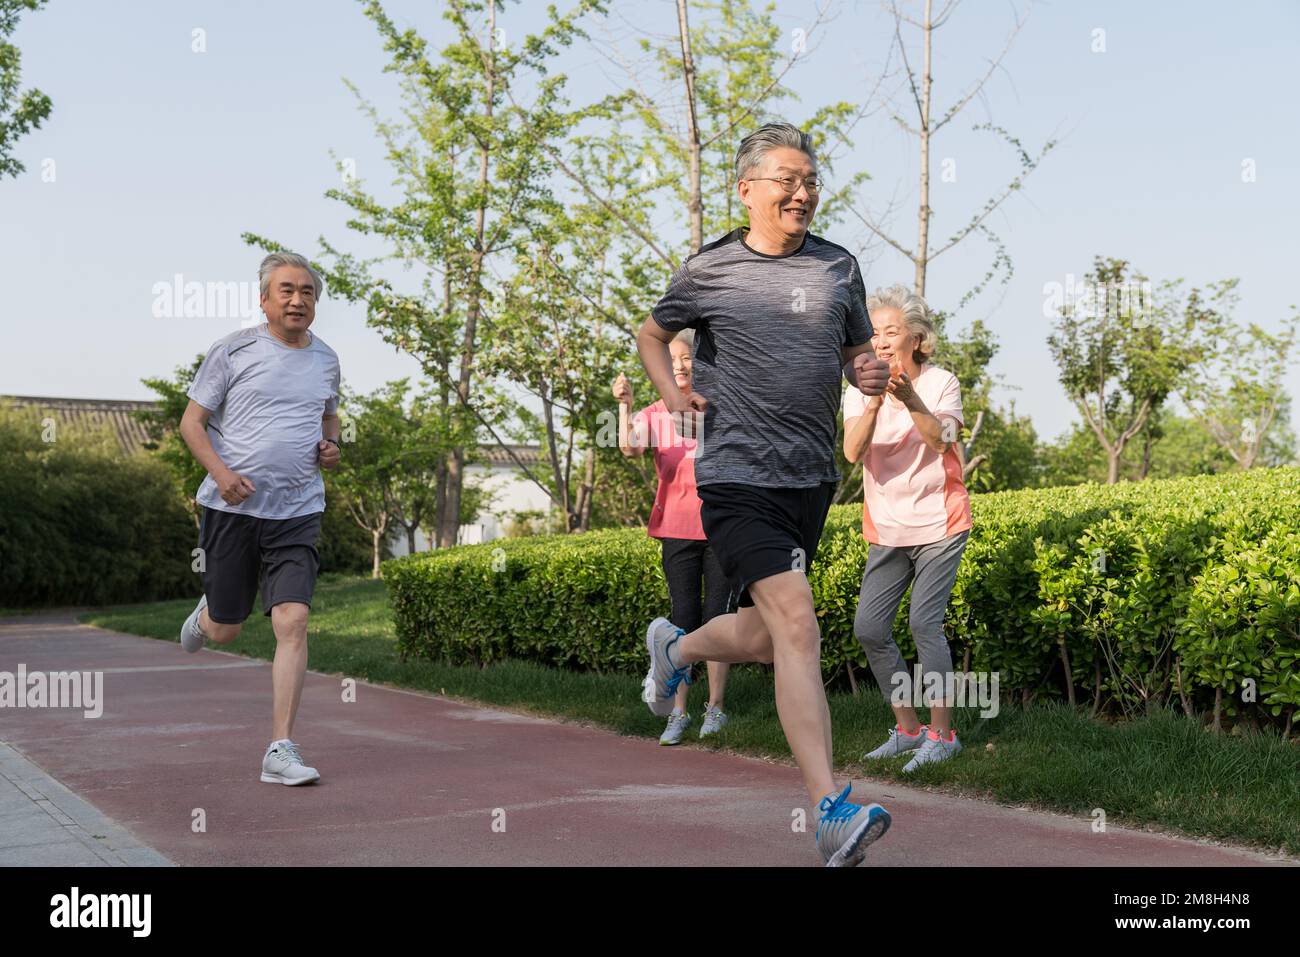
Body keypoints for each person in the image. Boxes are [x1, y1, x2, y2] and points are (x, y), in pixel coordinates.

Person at [636, 121, 894, 866]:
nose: (804, 192)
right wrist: (672, 396)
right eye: (788, 179)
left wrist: (864, 373)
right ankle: (829, 808)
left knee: (768, 631)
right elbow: (652, 335)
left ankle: (677, 646)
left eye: (811, 180)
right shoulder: (708, 269)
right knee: (801, 624)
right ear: (746, 188)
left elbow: (852, 352)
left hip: (810, 476)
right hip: (735, 473)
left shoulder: (838, 267)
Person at [177, 252, 342, 787]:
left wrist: (332, 444)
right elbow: (192, 424)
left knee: (292, 620)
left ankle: (281, 749)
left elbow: (329, 414)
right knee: (227, 630)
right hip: (233, 509)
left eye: (308, 292)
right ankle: (207, 616)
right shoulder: (233, 350)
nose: (298, 300)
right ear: (265, 299)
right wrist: (222, 475)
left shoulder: (327, 359)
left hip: (298, 509)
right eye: (287, 291)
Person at [843, 283, 972, 772]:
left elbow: (944, 441)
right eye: (872, 333)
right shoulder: (856, 389)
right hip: (888, 528)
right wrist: (875, 401)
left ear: (916, 340)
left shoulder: (942, 383)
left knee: (923, 623)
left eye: (890, 332)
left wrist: (912, 397)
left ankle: (944, 735)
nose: (878, 341)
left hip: (940, 523)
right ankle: (908, 729)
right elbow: (853, 452)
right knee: (871, 628)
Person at [613, 329, 732, 746]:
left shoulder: (717, 407)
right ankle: (679, 712)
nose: (681, 366)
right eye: (674, 359)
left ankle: (715, 709)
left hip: (721, 525)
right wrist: (624, 407)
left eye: (688, 359)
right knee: (683, 619)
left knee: (718, 618)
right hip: (676, 530)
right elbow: (630, 449)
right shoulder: (654, 412)